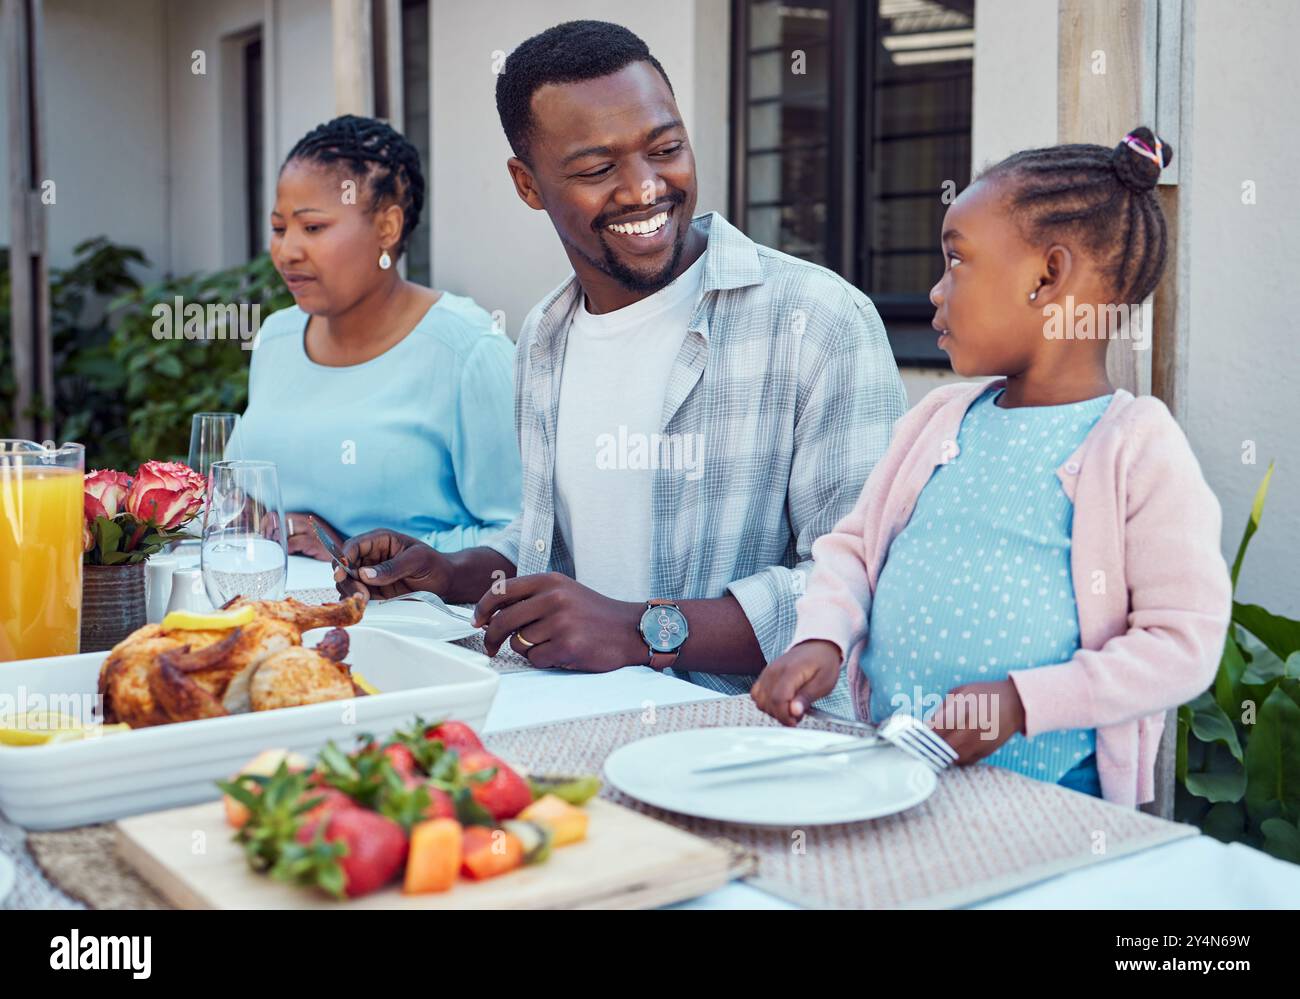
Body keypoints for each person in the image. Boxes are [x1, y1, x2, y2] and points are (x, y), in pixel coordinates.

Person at [336, 21, 906, 710]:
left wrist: (643, 630)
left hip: (760, 745)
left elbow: (864, 580)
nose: (643, 190)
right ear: (528, 184)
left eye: (665, 148)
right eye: (597, 169)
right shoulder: (545, 336)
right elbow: (564, 542)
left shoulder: (818, 321)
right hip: (587, 719)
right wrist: (451, 571)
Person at [751, 128, 1232, 805]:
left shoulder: (1134, 445)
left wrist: (1020, 700)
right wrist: (821, 640)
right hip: (897, 777)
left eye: (957, 261)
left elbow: (1181, 641)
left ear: (1048, 275)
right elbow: (852, 552)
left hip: (1049, 801)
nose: (936, 290)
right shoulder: (938, 419)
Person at [233, 115, 521, 558]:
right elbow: (242, 488)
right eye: (278, 228)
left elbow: (525, 537)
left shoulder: (469, 351)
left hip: (414, 625)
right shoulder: (277, 337)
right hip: (277, 617)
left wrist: (357, 551)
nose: (286, 251)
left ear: (387, 228)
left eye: (312, 228)